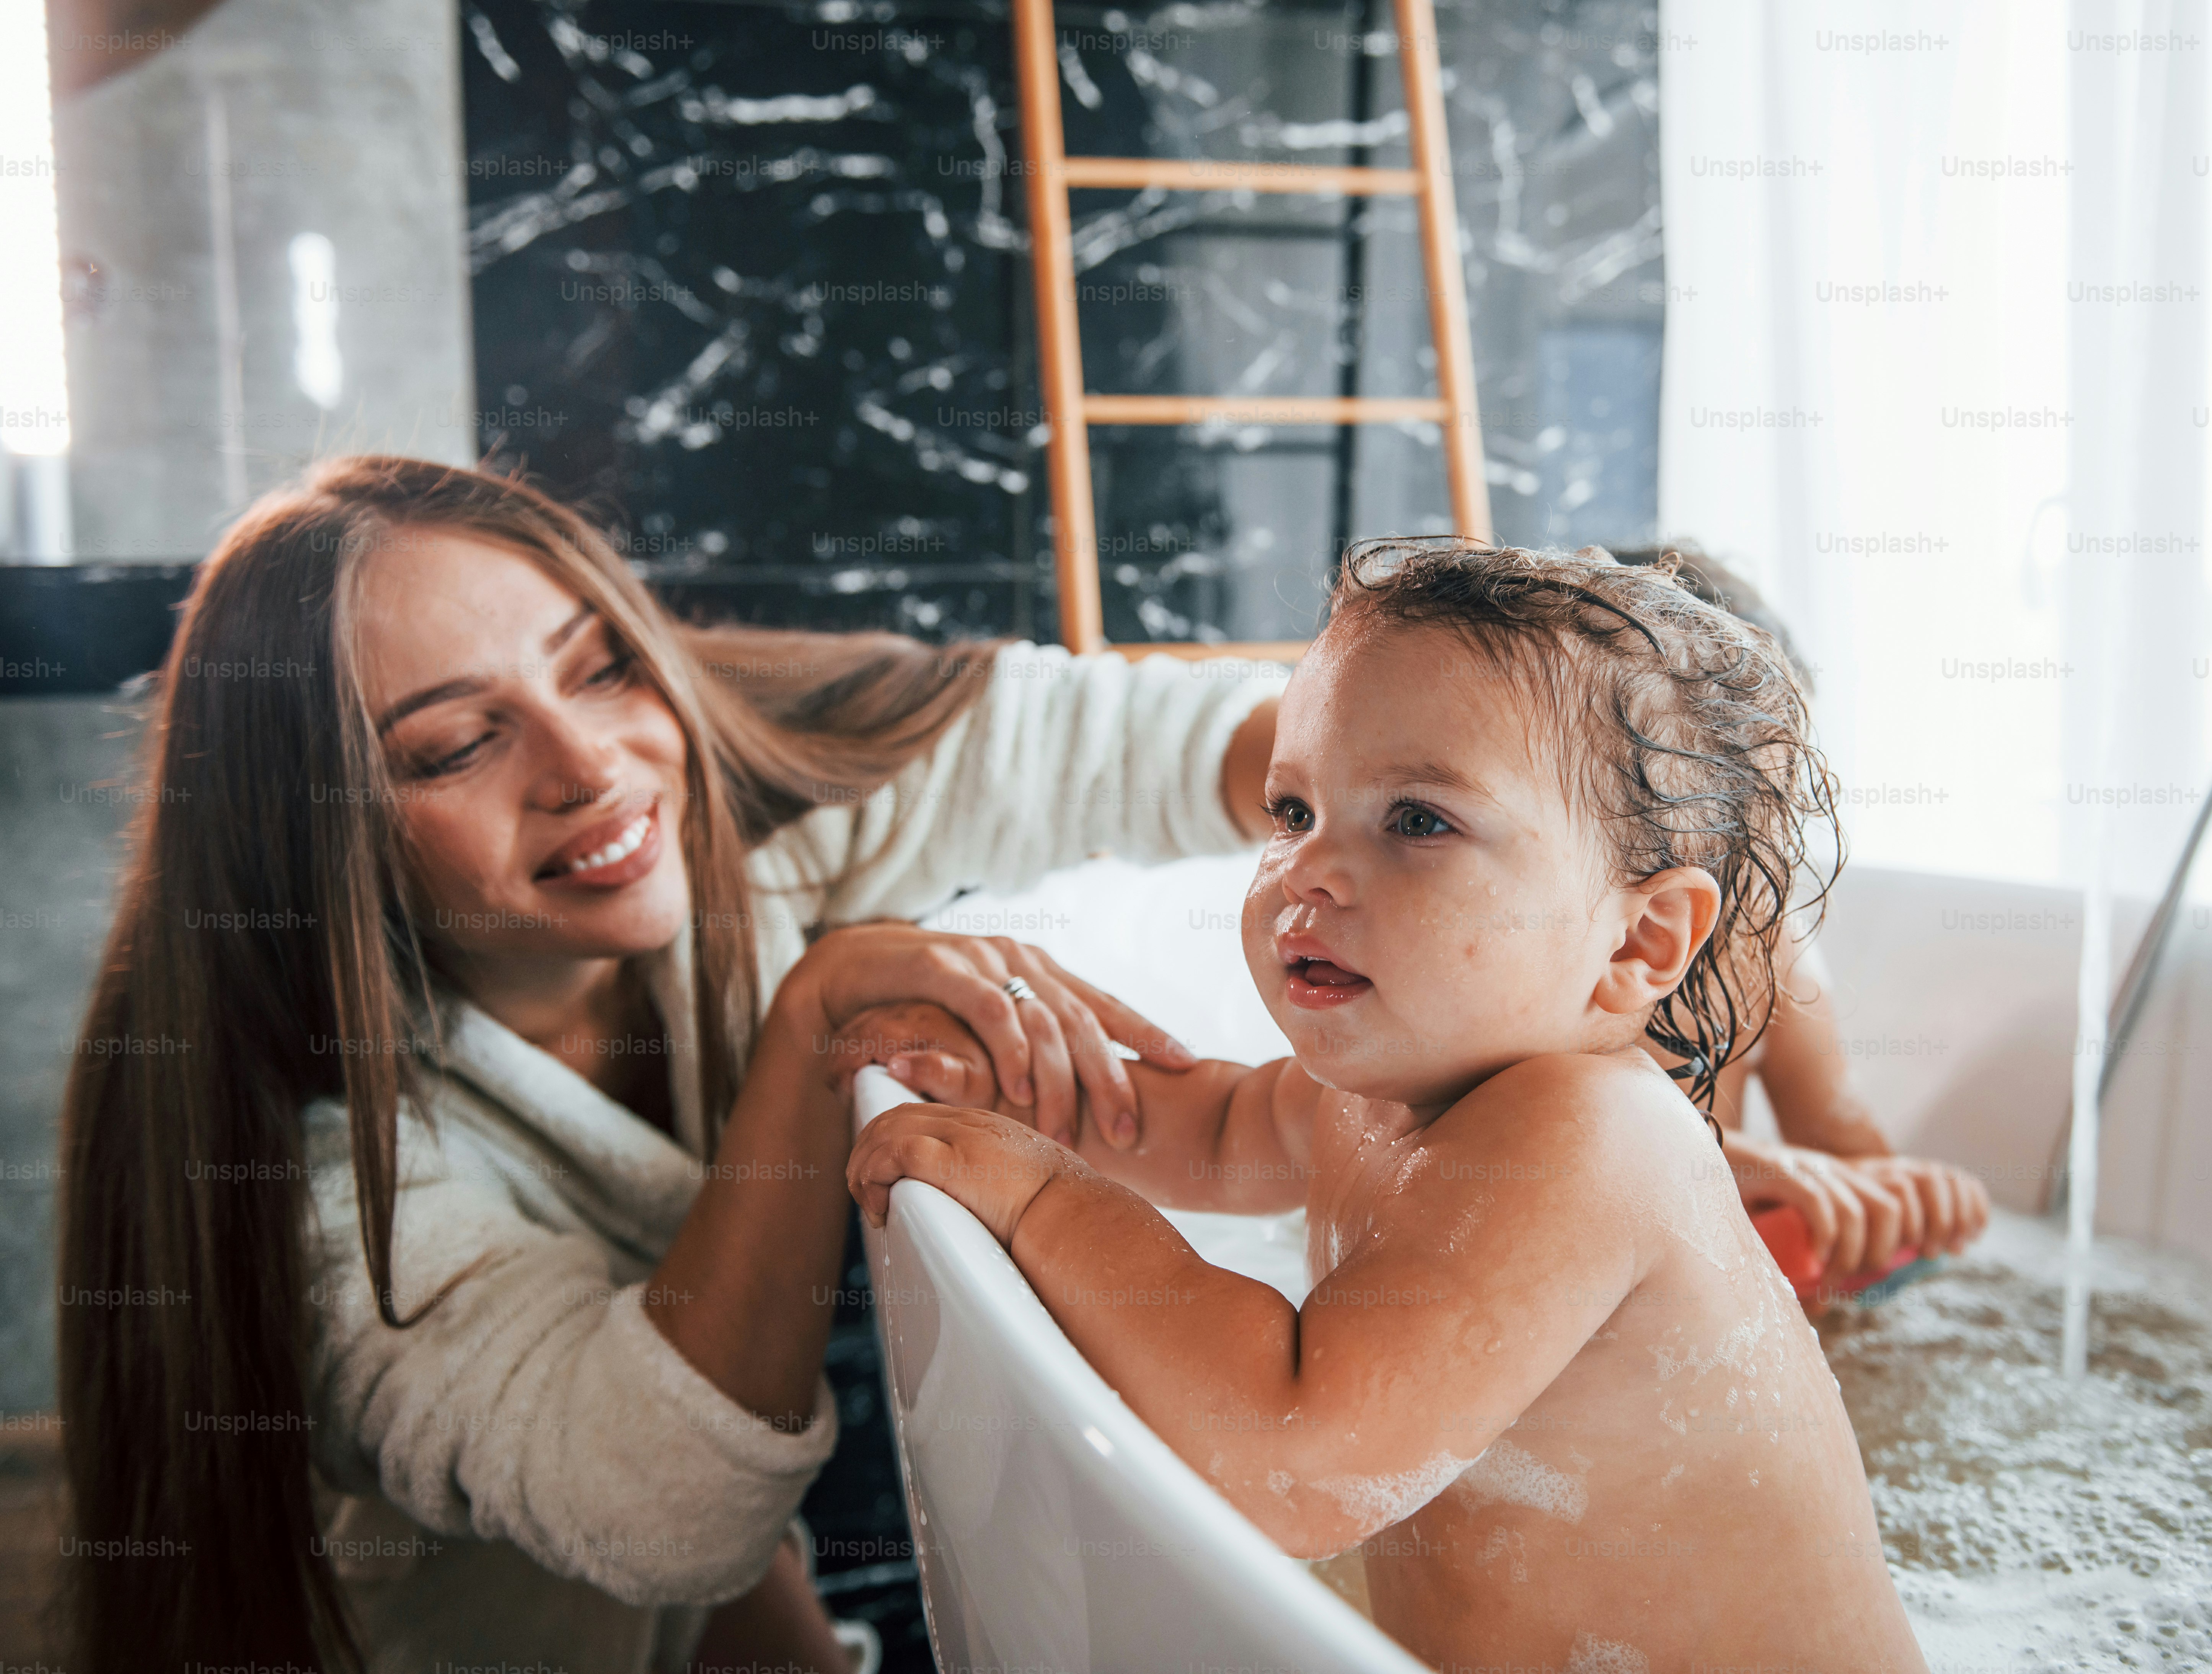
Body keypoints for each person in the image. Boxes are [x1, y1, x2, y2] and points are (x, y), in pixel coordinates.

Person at [51, 456, 1286, 1673]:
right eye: (457, 746)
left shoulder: (725, 813)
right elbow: (665, 1510)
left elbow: (1120, 741)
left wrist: (1414, 800)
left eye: (601, 667)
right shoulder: (321, 1185)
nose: (590, 767)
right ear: (314, 837)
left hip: (687, 1567)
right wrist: (814, 1021)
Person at [848, 540, 1930, 1671]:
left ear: (1638, 937)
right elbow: (1208, 1129)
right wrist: (1011, 1088)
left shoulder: (1589, 1132)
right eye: (1294, 807)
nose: (1310, 869)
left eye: (1417, 819)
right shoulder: (1379, 1091)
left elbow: (1301, 1460)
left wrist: (1042, 1196)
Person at [1613, 542, 1989, 1282]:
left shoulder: (1769, 944)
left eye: (1781, 796)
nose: (1759, 836)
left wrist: (1903, 1200)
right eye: (1727, 796)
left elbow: (1847, 1152)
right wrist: (1734, 1159)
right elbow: (1509, 1147)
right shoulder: (1529, 960)